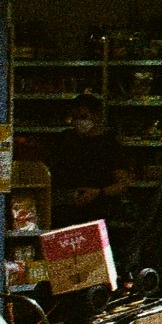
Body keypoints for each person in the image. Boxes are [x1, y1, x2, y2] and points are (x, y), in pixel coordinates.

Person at [46, 92, 134, 238]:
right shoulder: (64, 140)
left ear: (97, 116)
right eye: (74, 117)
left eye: (83, 117)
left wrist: (98, 193)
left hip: (97, 214)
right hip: (64, 212)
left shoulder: (110, 145)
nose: (78, 122)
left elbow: (123, 183)